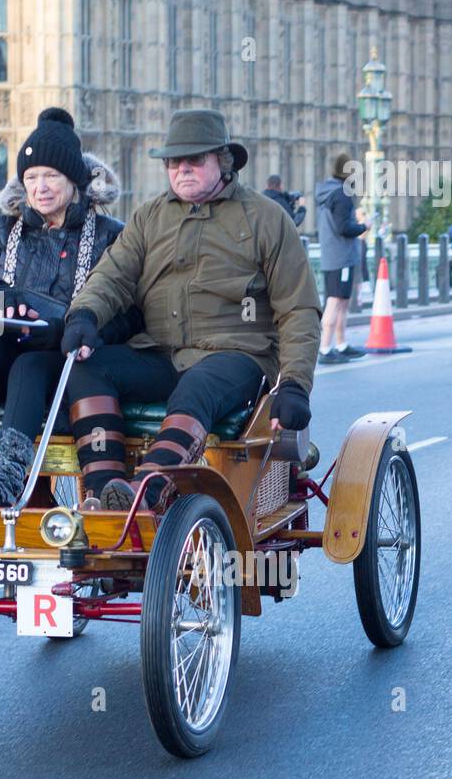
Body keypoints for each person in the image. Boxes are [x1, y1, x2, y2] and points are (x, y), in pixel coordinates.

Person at [58, 109, 321, 516]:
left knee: (196, 386)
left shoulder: (267, 219)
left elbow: (298, 308)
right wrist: (84, 316)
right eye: (173, 162)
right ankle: (103, 494)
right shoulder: (150, 217)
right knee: (87, 367)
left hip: (237, 354)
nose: (182, 169)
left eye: (194, 160)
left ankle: (148, 490)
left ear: (224, 162)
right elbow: (112, 275)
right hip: (161, 352)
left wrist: (295, 385)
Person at [0, 107, 141, 507]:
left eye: (51, 176)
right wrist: (0, 296)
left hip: (66, 363)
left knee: (29, 366)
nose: (40, 187)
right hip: (4, 355)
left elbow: (134, 314)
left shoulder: (110, 236)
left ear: (75, 182)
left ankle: (7, 474)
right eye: (31, 178)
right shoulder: (4, 230)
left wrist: (78, 328)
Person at [315, 153, 369, 364]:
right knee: (335, 301)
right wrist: (364, 226)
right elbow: (343, 228)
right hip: (341, 256)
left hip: (334, 255)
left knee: (343, 302)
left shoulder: (329, 192)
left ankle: (341, 344)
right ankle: (325, 348)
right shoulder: (342, 195)